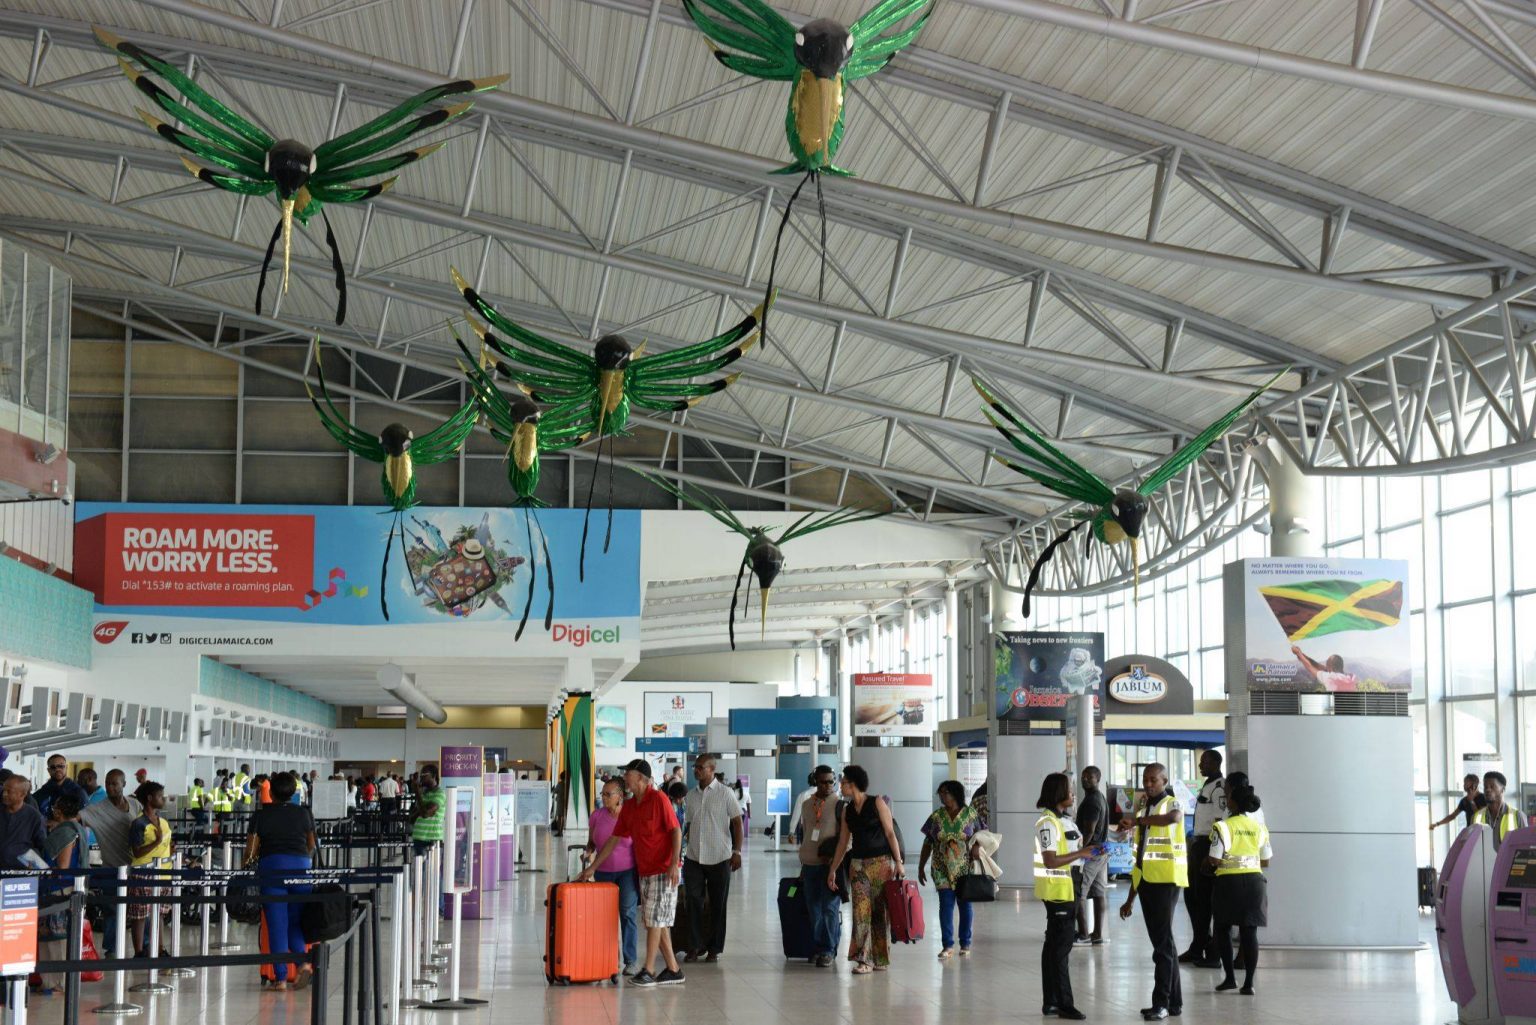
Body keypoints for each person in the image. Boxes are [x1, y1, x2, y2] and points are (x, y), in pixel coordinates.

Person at [578, 759, 684, 987]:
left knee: (653, 919)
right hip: (644, 870)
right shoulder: (631, 806)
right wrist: (592, 867)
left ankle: (649, 969)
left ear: (641, 778)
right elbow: (613, 839)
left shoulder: (658, 799)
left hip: (664, 868)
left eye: (629, 774)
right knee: (656, 921)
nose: (625, 777)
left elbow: (675, 830)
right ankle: (674, 970)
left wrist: (674, 863)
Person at [1118, 763, 1187, 1022]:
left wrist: (1137, 821)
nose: (1148, 784)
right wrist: (1130, 898)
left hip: (1166, 881)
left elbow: (1174, 819)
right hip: (1147, 880)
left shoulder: (1171, 803)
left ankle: (1161, 1003)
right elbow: (1141, 855)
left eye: (1153, 780)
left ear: (1164, 780)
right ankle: (1174, 1002)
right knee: (1165, 943)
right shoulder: (1145, 807)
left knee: (1162, 947)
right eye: (1145, 780)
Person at [826, 764, 904, 975]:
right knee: (860, 912)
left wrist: (899, 862)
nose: (840, 786)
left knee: (880, 913)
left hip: (882, 863)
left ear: (854, 784)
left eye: (843, 783)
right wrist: (833, 869)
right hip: (858, 865)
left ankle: (880, 958)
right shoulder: (847, 811)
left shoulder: (877, 803)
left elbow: (890, 834)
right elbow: (843, 842)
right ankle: (864, 959)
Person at [1036, 772, 1101, 1021]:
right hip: (1058, 888)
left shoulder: (1065, 820)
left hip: (1069, 884)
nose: (1074, 793)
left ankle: (1051, 1002)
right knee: (1061, 947)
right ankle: (1064, 1003)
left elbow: (1073, 849)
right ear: (1058, 794)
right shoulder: (1047, 823)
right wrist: (1081, 853)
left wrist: (1089, 850)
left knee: (1054, 945)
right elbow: (1050, 860)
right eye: (1070, 789)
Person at [245, 772, 318, 991]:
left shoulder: (261, 815)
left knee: (277, 925)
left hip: (272, 869)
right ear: (294, 792)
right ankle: (303, 963)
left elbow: (251, 850)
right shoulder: (304, 813)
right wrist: (298, 859)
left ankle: (281, 978)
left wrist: (247, 865)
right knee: (295, 923)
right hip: (301, 869)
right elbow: (311, 844)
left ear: (271, 792)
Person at [1208, 776, 1271, 996]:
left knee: (1222, 929)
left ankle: (1230, 979)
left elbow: (1214, 859)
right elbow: (1266, 860)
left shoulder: (1222, 827)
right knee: (1249, 932)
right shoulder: (1259, 827)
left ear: (1232, 802)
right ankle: (1249, 983)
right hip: (1255, 882)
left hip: (1228, 883)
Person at [682, 754, 743, 963]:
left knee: (718, 904)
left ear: (711, 770)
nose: (696, 770)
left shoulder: (725, 793)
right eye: (695, 767)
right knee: (693, 902)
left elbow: (737, 823)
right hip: (694, 857)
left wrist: (737, 852)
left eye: (700, 767)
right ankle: (694, 946)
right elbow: (688, 826)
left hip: (720, 857)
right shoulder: (690, 796)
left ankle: (714, 948)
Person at [919, 780, 982, 959]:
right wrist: (921, 866)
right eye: (940, 793)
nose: (941, 796)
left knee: (965, 905)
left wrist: (977, 846)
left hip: (965, 868)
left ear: (955, 794)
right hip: (941, 867)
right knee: (945, 906)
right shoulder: (936, 817)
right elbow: (927, 842)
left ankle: (965, 942)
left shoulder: (970, 814)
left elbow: (981, 835)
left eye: (944, 792)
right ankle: (947, 945)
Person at [80, 770, 139, 954]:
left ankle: (144, 946)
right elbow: (77, 818)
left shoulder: (135, 804)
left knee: (141, 911)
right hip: (111, 869)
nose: (110, 787)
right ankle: (112, 949)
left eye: (115, 783)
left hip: (135, 867)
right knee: (112, 910)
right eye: (108, 783)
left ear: (124, 784)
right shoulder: (97, 809)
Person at [587, 779, 641, 975]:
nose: (604, 798)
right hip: (603, 872)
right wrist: (588, 851)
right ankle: (608, 958)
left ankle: (631, 960)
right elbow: (592, 842)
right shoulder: (596, 816)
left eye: (608, 794)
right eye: (602, 794)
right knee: (604, 917)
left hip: (627, 871)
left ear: (620, 796)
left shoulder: (630, 816)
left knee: (627, 913)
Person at [36, 795, 86, 996]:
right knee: (59, 937)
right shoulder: (80, 828)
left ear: (58, 811)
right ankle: (55, 981)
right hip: (72, 888)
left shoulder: (65, 832)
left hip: (59, 889)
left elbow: (63, 866)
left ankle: (55, 982)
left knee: (56, 938)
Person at [1181, 750, 1225, 968]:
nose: (1200, 765)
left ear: (1217, 763)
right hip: (1198, 843)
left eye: (1204, 762)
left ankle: (1207, 949)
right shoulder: (1208, 785)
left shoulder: (1219, 788)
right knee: (1192, 896)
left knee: (1204, 900)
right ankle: (1198, 944)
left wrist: (1211, 854)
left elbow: (1220, 821)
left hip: (1208, 845)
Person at [797, 765, 842, 967]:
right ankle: (818, 945)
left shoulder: (840, 805)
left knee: (829, 909)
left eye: (831, 781)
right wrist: (802, 865)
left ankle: (829, 949)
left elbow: (846, 837)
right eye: (823, 781)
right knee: (813, 909)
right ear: (815, 781)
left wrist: (836, 861)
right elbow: (806, 833)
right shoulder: (807, 805)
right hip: (809, 864)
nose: (828, 785)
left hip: (830, 865)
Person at [128, 781, 172, 958]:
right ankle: (139, 952)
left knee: (159, 914)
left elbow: (169, 845)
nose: (164, 799)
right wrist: (155, 841)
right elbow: (136, 852)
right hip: (143, 874)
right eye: (160, 796)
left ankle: (160, 948)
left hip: (164, 874)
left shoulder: (163, 822)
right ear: (149, 798)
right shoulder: (139, 823)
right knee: (139, 915)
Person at [1075, 765, 1111, 946]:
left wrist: (1080, 850)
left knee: (1078, 891)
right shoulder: (1099, 797)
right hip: (1101, 850)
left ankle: (1083, 935)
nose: (1085, 779)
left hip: (1092, 852)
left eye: (1090, 777)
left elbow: (1089, 830)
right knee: (1098, 892)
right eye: (1083, 776)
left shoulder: (1092, 801)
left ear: (1098, 778)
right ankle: (1097, 934)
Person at [0, 774, 45, 869]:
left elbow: (42, 846)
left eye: (9, 791)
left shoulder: (34, 816)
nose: (4, 794)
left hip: (20, 871)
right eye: (4, 790)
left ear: (22, 794)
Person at [1473, 770, 1527, 849]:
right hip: (1483, 861)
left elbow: (1525, 847)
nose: (1488, 790)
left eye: (1492, 786)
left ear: (1503, 789)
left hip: (1508, 861)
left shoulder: (1517, 816)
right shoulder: (1476, 817)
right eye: (1485, 787)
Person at [35, 753, 87, 819]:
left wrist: (61, 824)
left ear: (66, 767)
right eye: (53, 767)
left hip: (69, 828)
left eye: (61, 766)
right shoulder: (42, 792)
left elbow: (85, 815)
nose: (57, 769)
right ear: (49, 770)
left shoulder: (78, 792)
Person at [410, 764, 446, 857]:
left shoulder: (440, 793)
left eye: (424, 775)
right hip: (418, 838)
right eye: (420, 776)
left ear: (433, 776)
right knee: (418, 870)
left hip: (431, 840)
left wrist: (417, 792)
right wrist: (421, 808)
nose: (421, 778)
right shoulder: (423, 794)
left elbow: (425, 814)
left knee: (429, 870)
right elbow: (411, 819)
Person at [1290, 645, 1358, 691]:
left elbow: (1310, 667)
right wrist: (1303, 655)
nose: (1326, 669)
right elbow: (1317, 665)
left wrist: (1298, 653)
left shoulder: (1330, 678)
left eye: (1327, 666)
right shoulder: (1351, 677)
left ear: (1331, 668)